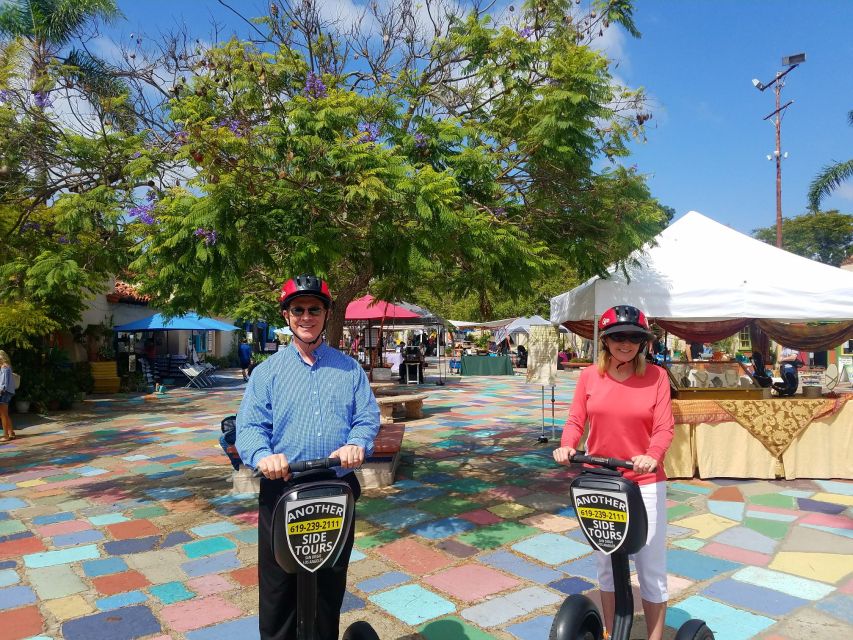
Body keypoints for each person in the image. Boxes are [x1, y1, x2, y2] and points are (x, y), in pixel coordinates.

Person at [236, 274, 379, 640]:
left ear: (326, 313)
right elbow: (250, 427)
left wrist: (357, 444)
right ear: (286, 315)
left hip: (336, 488)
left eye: (314, 308)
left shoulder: (348, 369)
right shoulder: (267, 373)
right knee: (279, 590)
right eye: (297, 309)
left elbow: (366, 418)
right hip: (283, 488)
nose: (306, 316)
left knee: (329, 584)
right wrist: (263, 455)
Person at [552, 305, 673, 640]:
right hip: (600, 479)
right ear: (606, 340)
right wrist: (567, 445)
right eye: (618, 336)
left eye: (634, 337)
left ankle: (654, 636)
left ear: (643, 342)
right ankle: (610, 632)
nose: (626, 343)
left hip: (643, 480)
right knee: (606, 563)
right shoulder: (590, 375)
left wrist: (652, 455)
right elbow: (576, 419)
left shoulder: (657, 377)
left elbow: (664, 429)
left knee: (650, 566)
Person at [0, 350, 16, 441]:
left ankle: (5, 435)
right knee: (4, 414)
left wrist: (1, 391)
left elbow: (3, 383)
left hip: (3, 392)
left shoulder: (4, 367)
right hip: (7, 392)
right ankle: (11, 433)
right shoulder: (7, 367)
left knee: (3, 415)